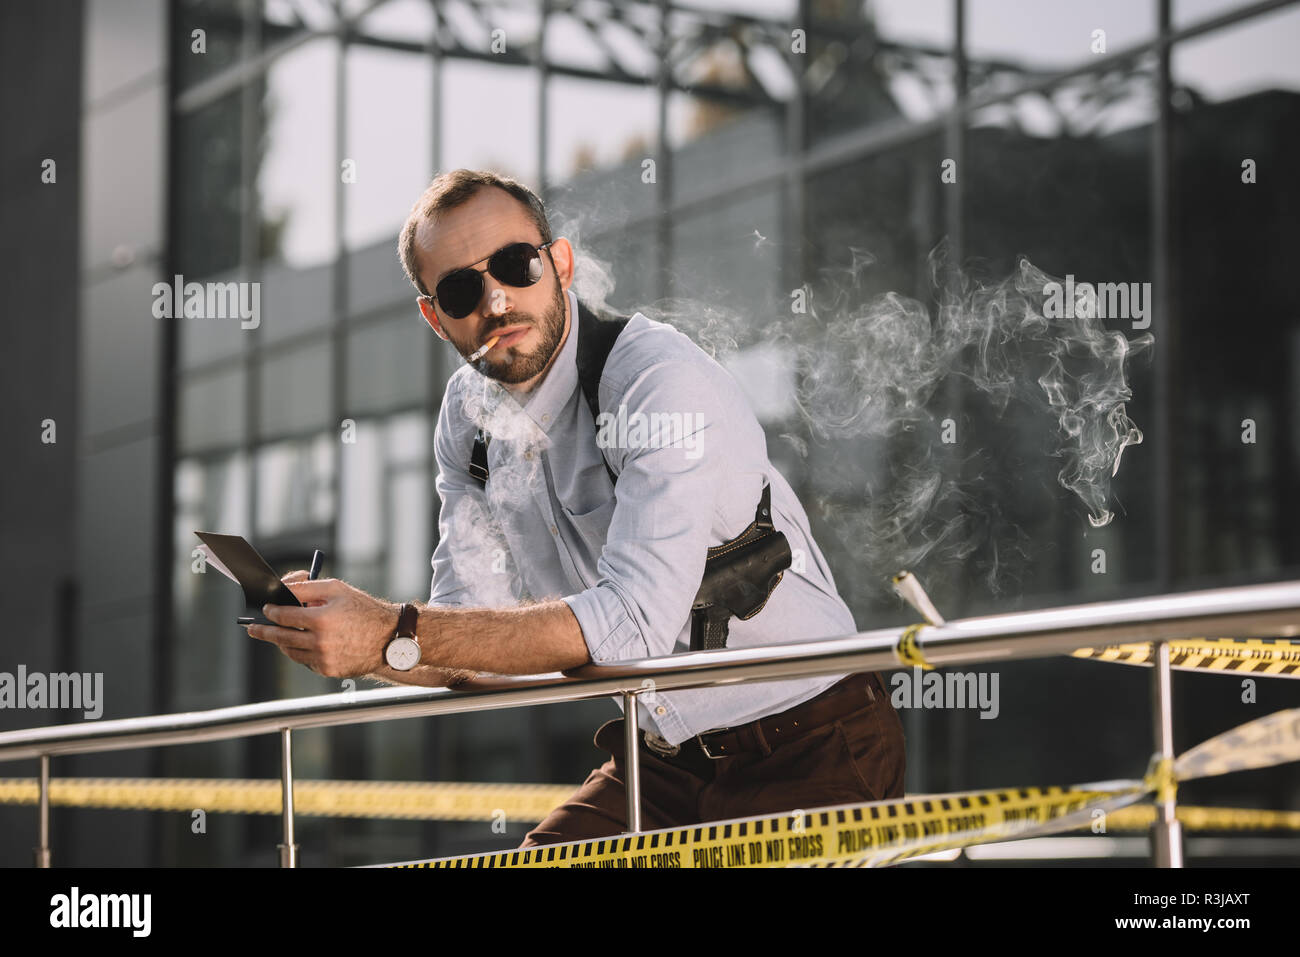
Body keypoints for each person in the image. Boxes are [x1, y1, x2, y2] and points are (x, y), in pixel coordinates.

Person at [246, 168, 905, 848]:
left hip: (811, 741)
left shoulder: (655, 383)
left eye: (514, 264)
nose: (496, 300)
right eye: (462, 288)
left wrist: (388, 631)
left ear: (558, 264)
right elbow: (457, 641)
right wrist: (355, 645)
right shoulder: (466, 424)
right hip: (661, 764)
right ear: (433, 315)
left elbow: (629, 626)